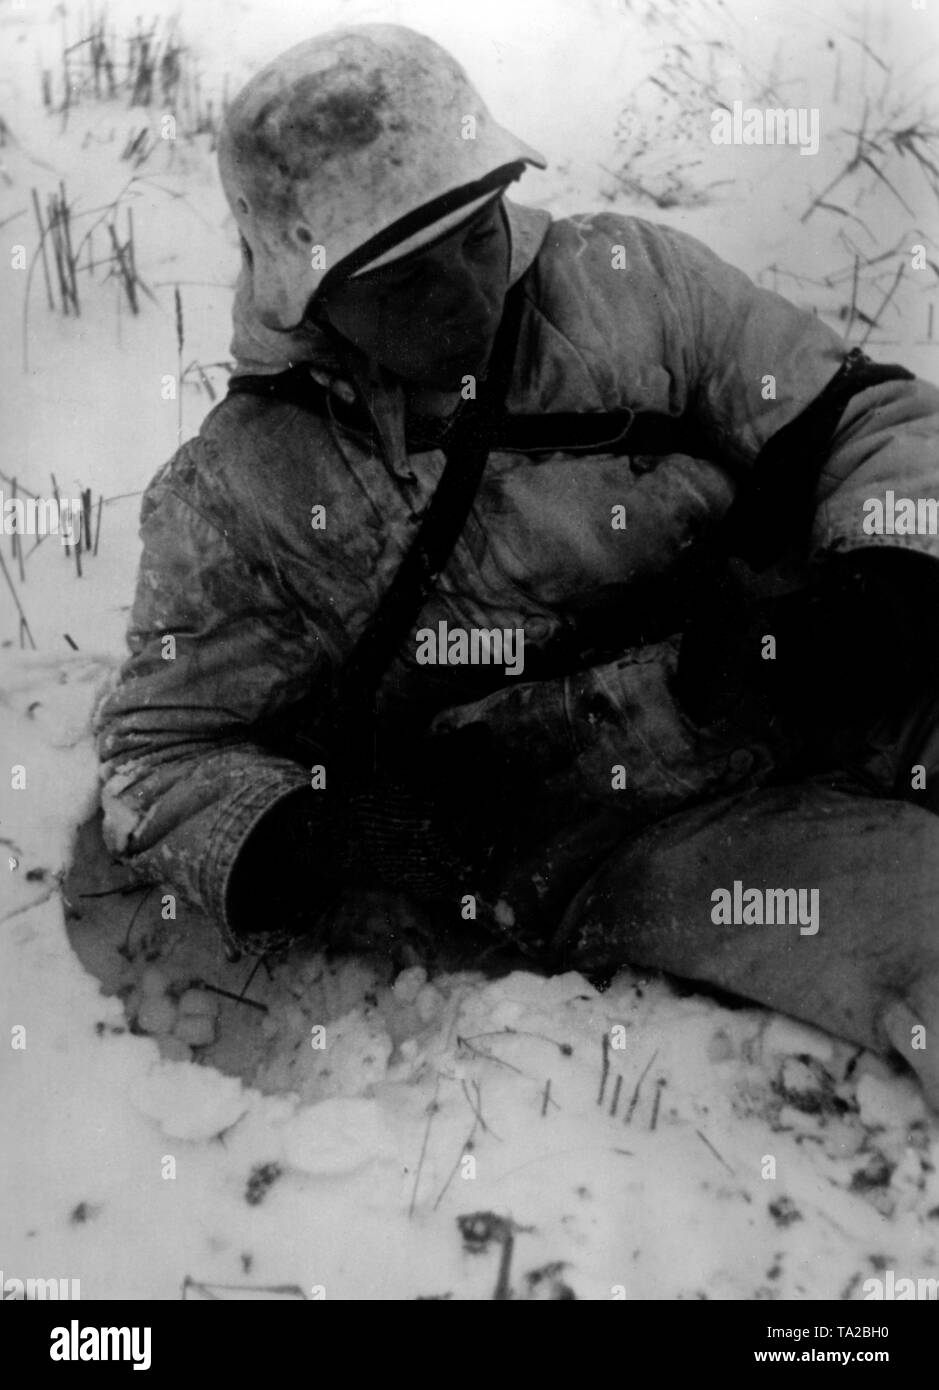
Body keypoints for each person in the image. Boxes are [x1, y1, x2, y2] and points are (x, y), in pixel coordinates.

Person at [95, 24, 939, 1103]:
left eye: (476, 231)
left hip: (813, 677)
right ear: (304, 291)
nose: (465, 295)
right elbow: (156, 756)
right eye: (403, 278)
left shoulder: (630, 280)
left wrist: (888, 578)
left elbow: (858, 412)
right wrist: (327, 834)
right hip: (612, 823)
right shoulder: (240, 492)